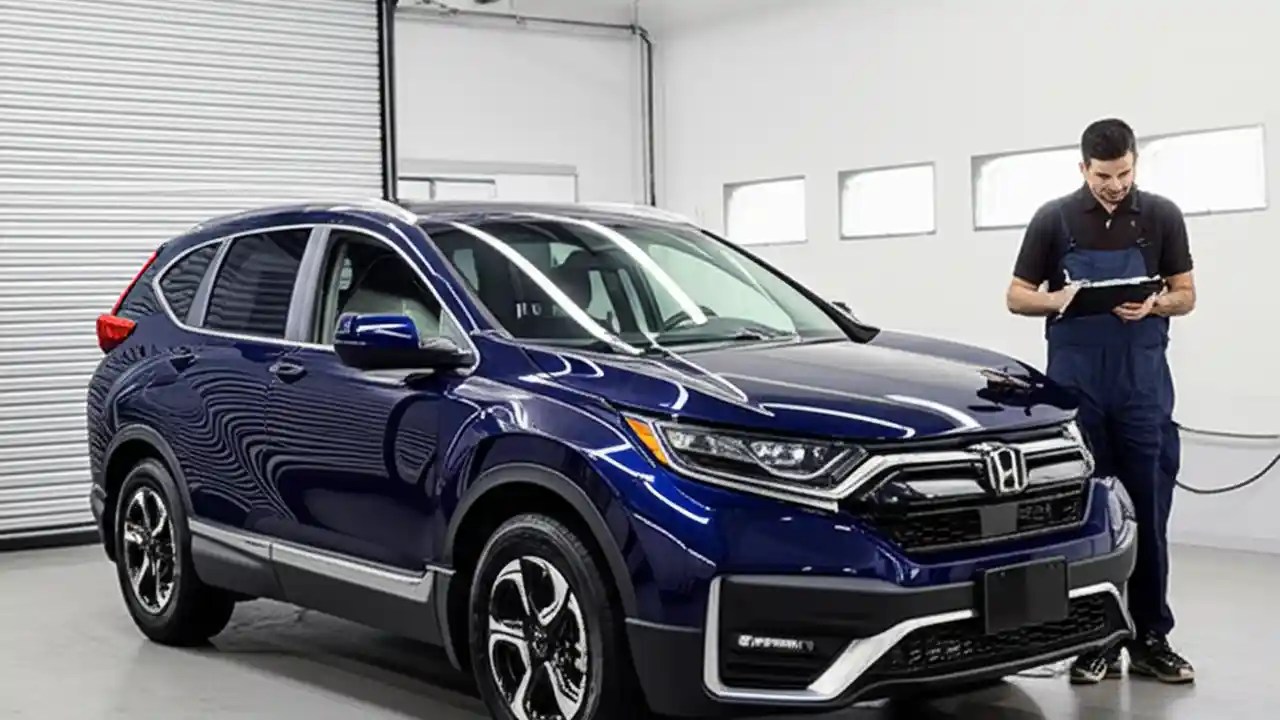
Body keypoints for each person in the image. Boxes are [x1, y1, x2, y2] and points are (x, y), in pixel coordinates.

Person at [1006, 118, 1196, 684]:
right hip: (1078, 394)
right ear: (1083, 168)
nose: (1115, 184)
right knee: (1090, 521)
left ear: (1135, 162)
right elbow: (1016, 296)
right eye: (1104, 175)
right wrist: (1060, 297)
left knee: (1149, 518)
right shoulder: (1053, 219)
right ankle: (1096, 641)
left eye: (1124, 173)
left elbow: (1187, 293)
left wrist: (1157, 304)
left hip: (1141, 392)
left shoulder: (1161, 215)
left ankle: (1151, 638)